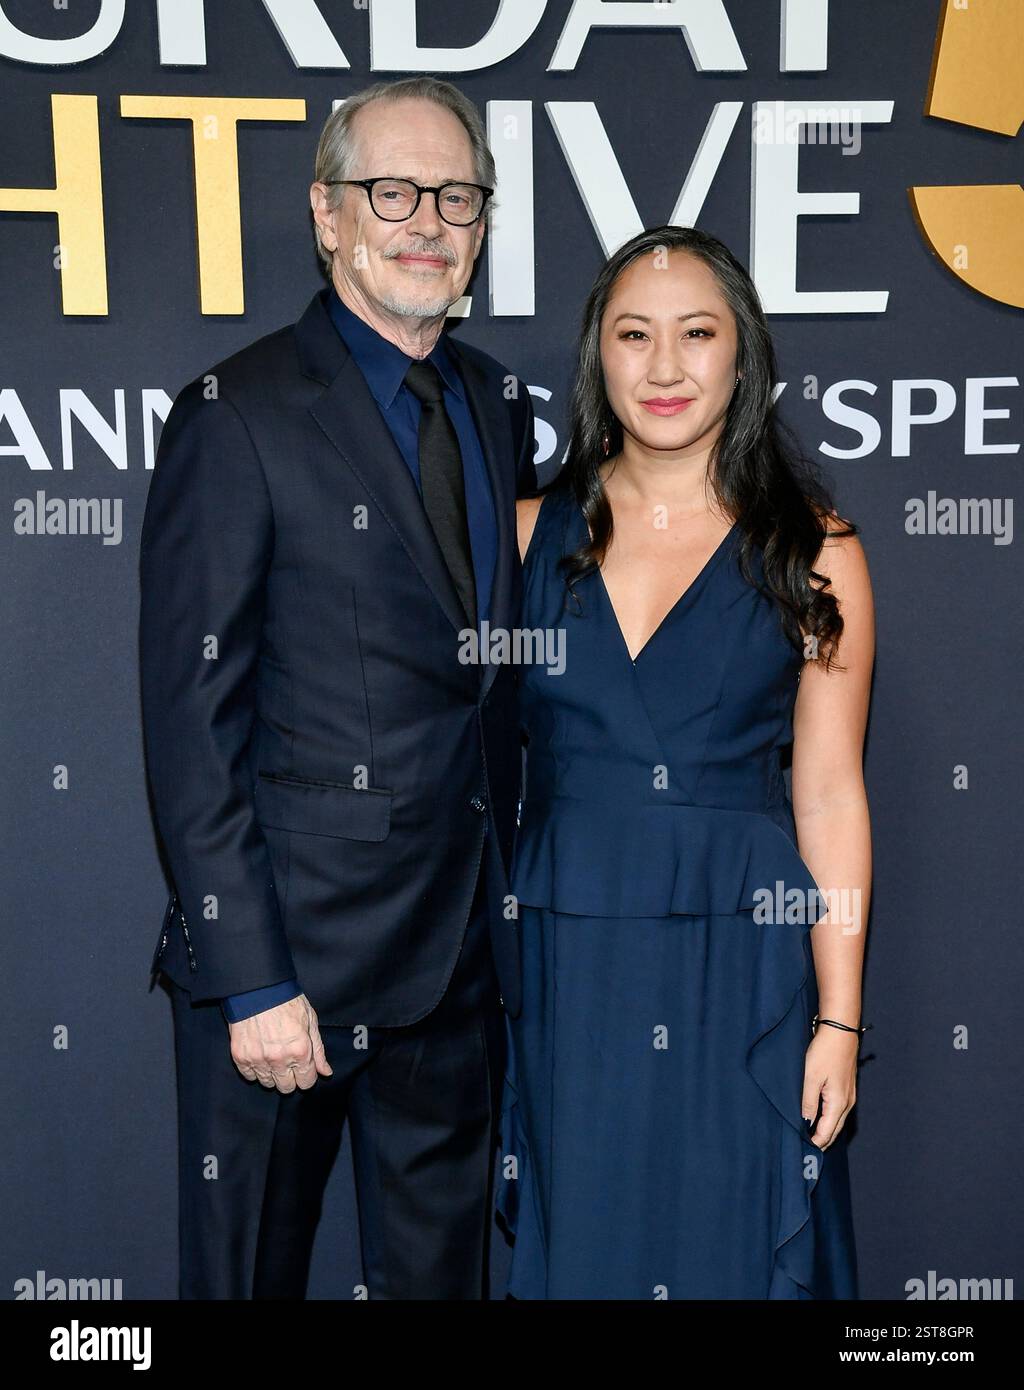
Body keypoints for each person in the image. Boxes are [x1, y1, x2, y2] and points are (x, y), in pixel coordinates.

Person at [139, 76, 537, 1300]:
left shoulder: (494, 404)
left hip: (456, 965)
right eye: (392, 190)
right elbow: (189, 723)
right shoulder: (237, 412)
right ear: (327, 214)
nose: (427, 219)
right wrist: (252, 977)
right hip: (286, 976)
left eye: (456, 195)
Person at [497, 225, 872, 1299]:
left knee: (727, 1239)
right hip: (571, 962)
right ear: (596, 357)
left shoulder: (816, 550)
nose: (664, 367)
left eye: (696, 333)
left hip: (742, 962)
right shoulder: (522, 535)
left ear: (741, 355)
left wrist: (838, 1018)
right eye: (634, 335)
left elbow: (831, 793)